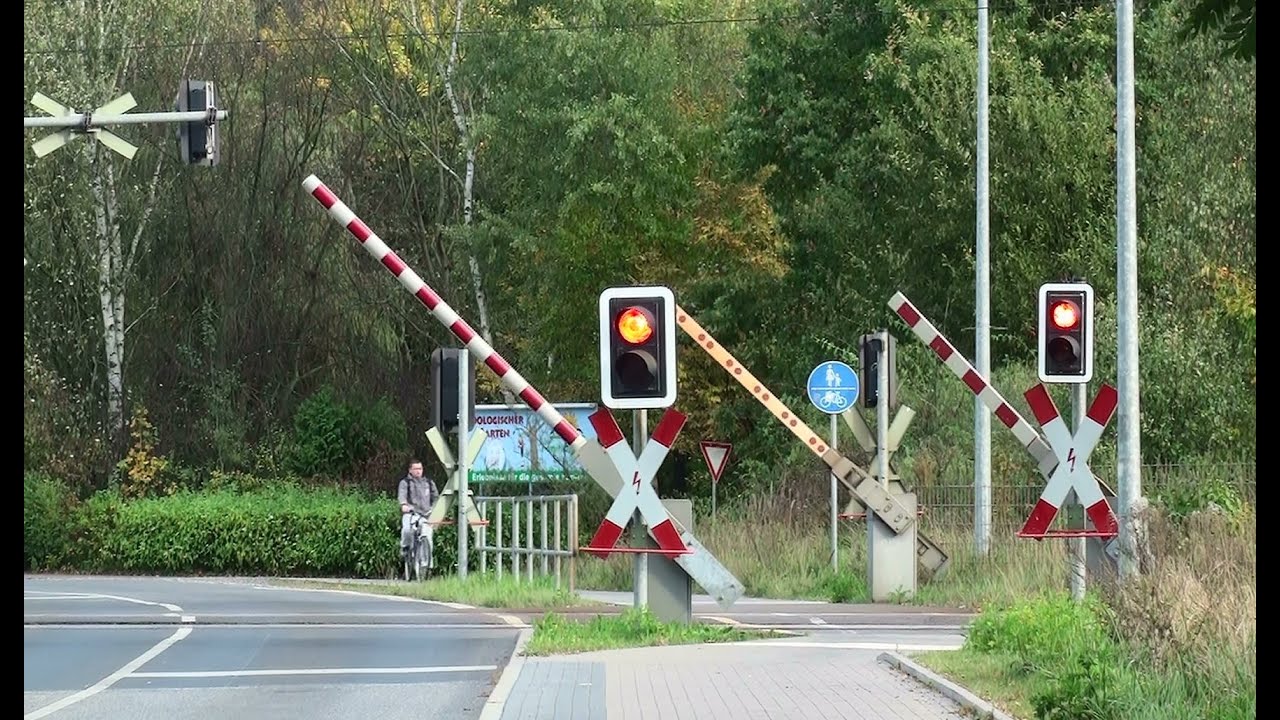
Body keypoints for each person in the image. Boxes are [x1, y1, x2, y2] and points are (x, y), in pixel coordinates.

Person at [398, 460, 440, 552]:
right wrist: (404, 505)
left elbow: (436, 497)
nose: (418, 471)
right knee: (407, 531)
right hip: (411, 513)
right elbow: (402, 495)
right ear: (410, 470)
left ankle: (427, 562)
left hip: (426, 514)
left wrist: (434, 508)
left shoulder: (429, 482)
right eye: (415, 469)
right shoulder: (405, 482)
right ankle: (405, 549)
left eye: (420, 468)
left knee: (428, 537)